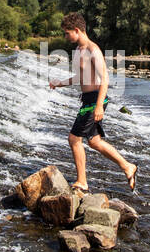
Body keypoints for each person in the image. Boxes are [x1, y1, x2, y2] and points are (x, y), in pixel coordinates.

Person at [47, 12, 137, 193]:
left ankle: (82, 181)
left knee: (74, 139)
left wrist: (98, 106)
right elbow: (81, 77)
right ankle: (128, 166)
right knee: (94, 141)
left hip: (96, 99)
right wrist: (60, 83)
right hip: (88, 99)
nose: (65, 37)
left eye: (67, 33)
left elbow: (105, 78)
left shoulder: (92, 49)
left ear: (77, 30)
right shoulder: (79, 51)